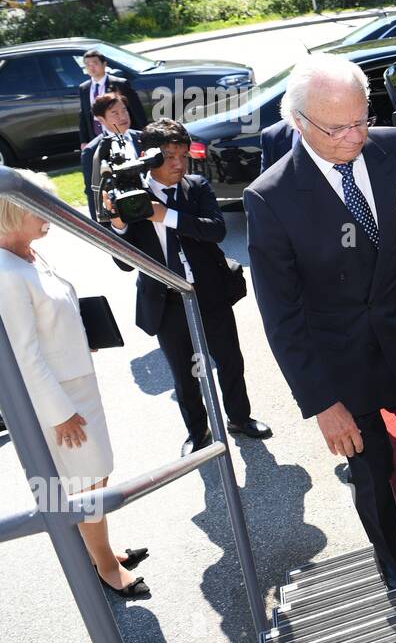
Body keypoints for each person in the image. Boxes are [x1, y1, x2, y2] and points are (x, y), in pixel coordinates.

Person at [244, 55, 396, 590]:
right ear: (298, 122)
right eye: (337, 127)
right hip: (343, 362)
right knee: (370, 473)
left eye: (361, 119)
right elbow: (281, 315)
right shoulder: (271, 198)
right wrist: (321, 403)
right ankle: (393, 562)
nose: (354, 135)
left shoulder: (393, 146)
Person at [0, 169, 150, 597]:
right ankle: (103, 566)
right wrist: (59, 413)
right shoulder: (6, 271)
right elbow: (23, 356)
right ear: (14, 211)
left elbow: (50, 319)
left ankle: (97, 552)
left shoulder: (27, 254)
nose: (52, 212)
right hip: (58, 402)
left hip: (76, 387)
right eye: (40, 206)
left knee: (92, 480)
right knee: (81, 487)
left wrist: (81, 338)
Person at [108, 120, 271, 453]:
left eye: (183, 155)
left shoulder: (196, 187)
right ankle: (198, 432)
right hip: (166, 300)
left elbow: (215, 230)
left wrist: (166, 215)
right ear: (148, 157)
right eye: (169, 156)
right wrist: (120, 224)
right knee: (185, 374)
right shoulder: (131, 198)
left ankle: (240, 417)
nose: (179, 164)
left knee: (229, 360)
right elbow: (125, 263)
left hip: (208, 292)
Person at [81, 92, 144, 223]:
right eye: (115, 113)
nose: (123, 116)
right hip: (122, 217)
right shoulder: (93, 151)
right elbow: (94, 194)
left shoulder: (143, 138)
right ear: (101, 119)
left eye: (124, 110)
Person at [78, 49, 145, 147]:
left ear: (104, 64)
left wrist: (142, 133)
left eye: (95, 63)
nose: (91, 67)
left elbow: (137, 111)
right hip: (98, 135)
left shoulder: (119, 84)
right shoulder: (84, 88)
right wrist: (84, 140)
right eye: (88, 65)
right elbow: (84, 115)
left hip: (121, 132)